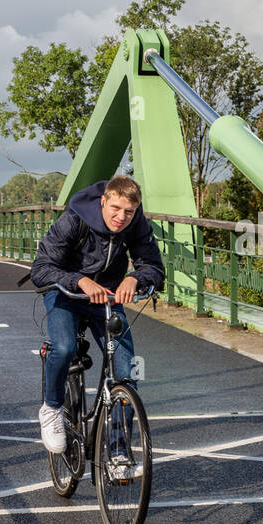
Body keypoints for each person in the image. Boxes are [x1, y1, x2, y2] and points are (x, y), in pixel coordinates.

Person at [30, 174, 164, 464]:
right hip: (66, 293)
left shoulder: (135, 224)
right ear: (103, 201)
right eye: (115, 208)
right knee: (64, 348)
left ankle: (118, 451)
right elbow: (40, 269)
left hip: (107, 298)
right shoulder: (74, 220)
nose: (121, 217)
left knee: (125, 373)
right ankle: (51, 408)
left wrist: (135, 277)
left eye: (128, 211)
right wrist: (80, 281)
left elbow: (154, 266)